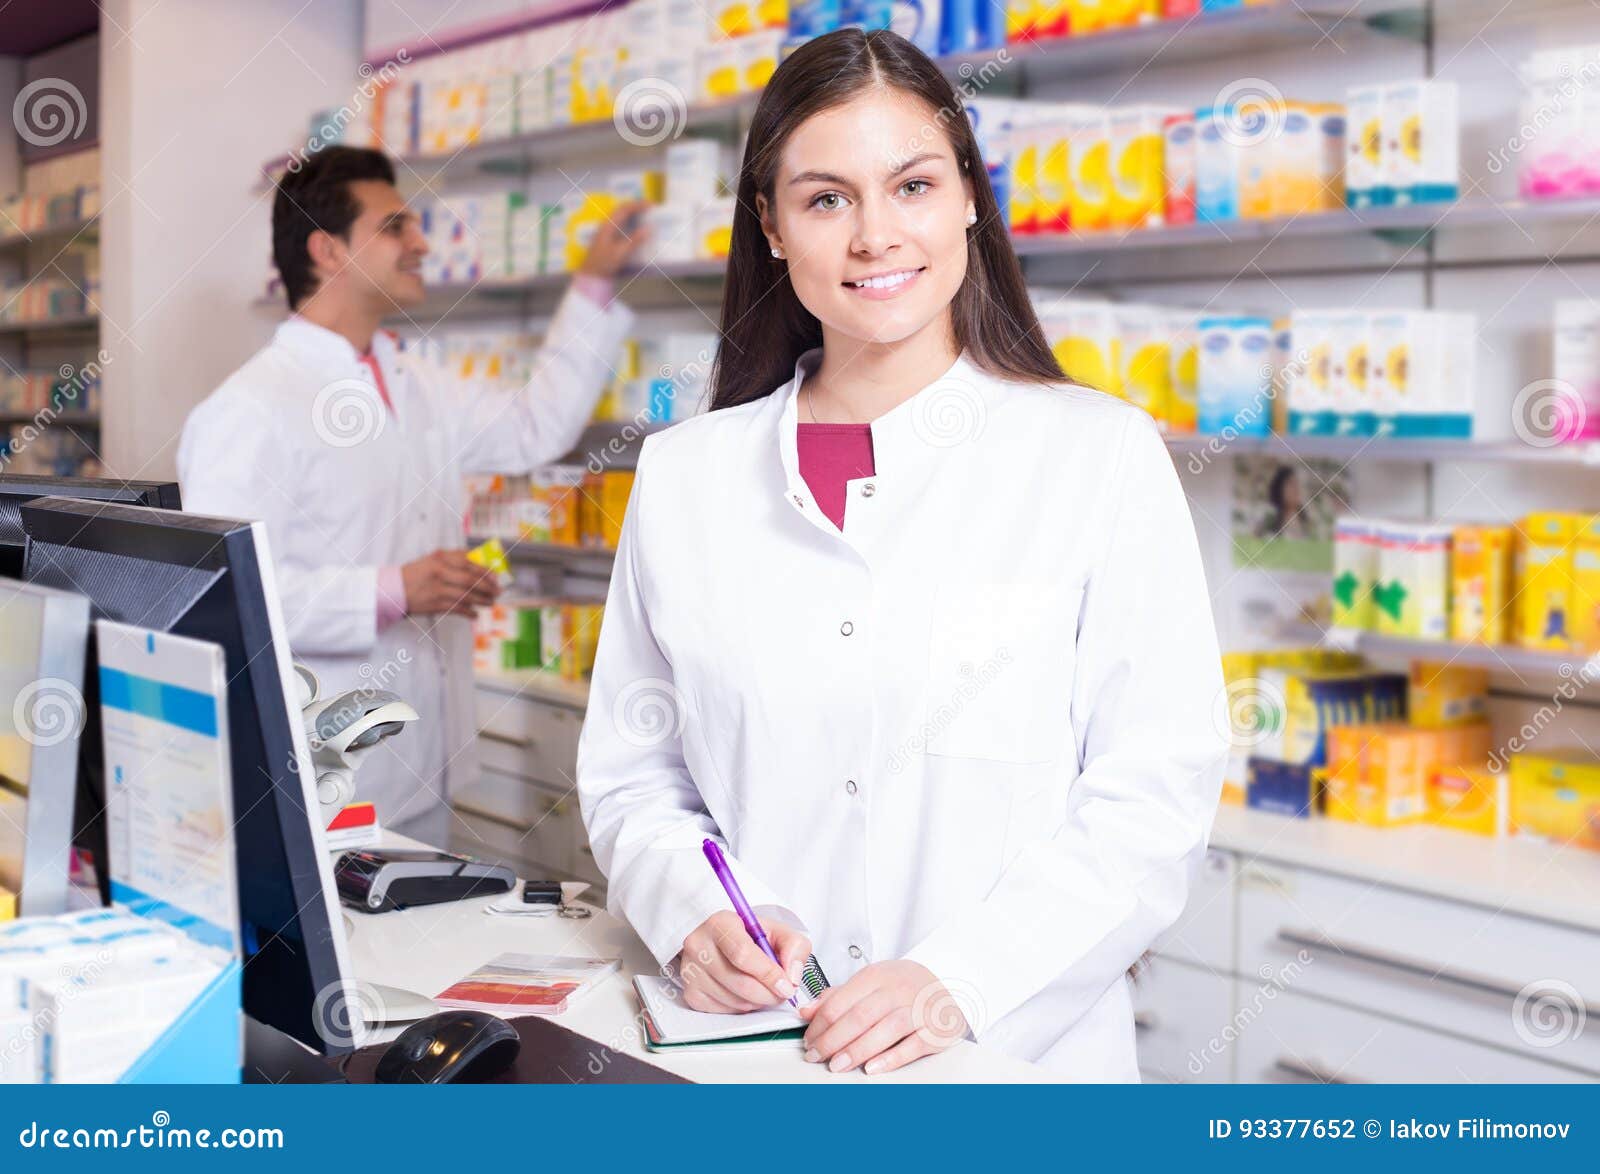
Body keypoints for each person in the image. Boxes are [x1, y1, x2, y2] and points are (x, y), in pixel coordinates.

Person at [575, 28, 1228, 1081]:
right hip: (759, 1051)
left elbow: (1152, 792)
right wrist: (698, 914)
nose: (875, 235)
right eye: (826, 199)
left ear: (968, 194)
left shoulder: (1096, 454)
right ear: (772, 226)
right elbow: (634, 773)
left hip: (1010, 1067)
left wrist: (958, 979)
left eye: (912, 185)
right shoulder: (686, 477)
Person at [179, 145, 646, 844]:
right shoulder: (246, 410)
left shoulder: (416, 379)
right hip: (325, 777)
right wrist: (394, 589)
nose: (422, 243)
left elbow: (534, 426)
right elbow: (228, 599)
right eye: (396, 227)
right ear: (327, 250)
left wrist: (594, 284)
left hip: (425, 761)